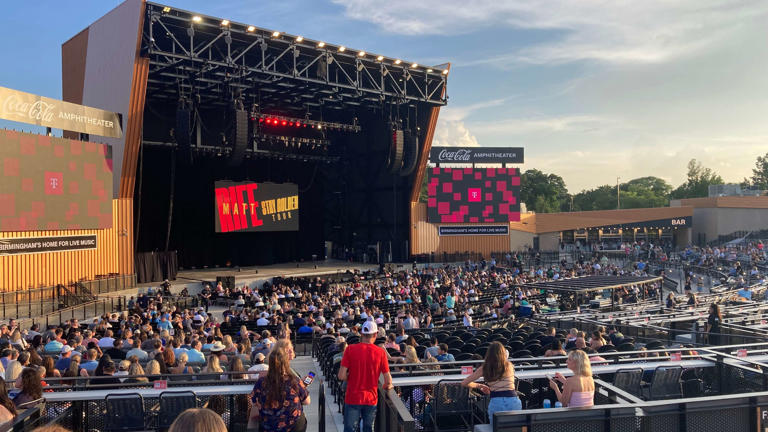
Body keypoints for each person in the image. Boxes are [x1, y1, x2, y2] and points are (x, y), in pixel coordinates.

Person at [338, 320, 392, 432]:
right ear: (375, 335)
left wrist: (352, 376)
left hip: (352, 397)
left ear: (361, 334)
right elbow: (388, 380)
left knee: (350, 430)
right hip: (371, 398)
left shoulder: (350, 349)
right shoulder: (381, 352)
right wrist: (387, 386)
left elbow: (341, 376)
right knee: (368, 429)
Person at [250, 347, 310, 432]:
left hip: (269, 427)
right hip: (293, 427)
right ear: (286, 363)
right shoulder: (294, 381)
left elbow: (253, 402)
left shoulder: (261, 382)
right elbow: (307, 401)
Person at [461, 342, 521, 426]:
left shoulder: (485, 368)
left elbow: (464, 383)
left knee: (497, 428)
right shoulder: (509, 365)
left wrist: (479, 386)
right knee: (515, 428)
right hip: (513, 400)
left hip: (496, 401)